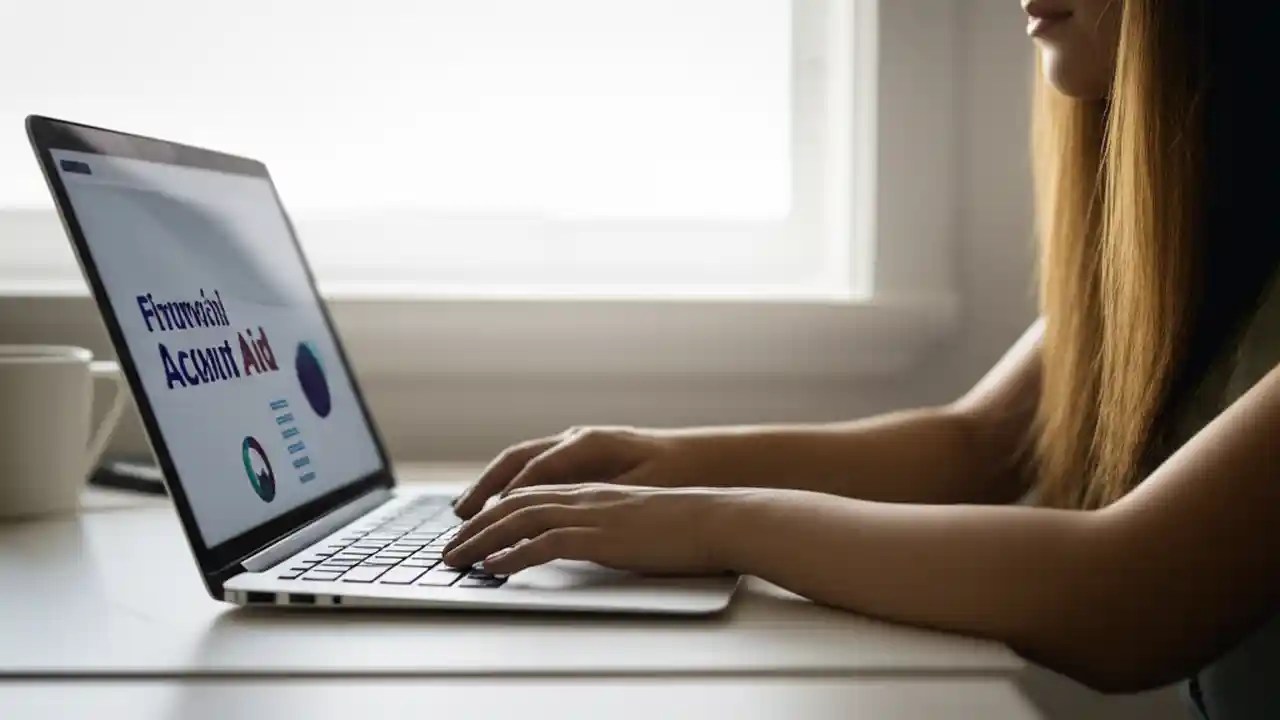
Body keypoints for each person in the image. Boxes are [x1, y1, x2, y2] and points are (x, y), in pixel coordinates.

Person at [443, 1, 1280, 715]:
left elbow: (1124, 600)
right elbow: (980, 447)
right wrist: (665, 464)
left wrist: (714, 521)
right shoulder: (1207, 230)